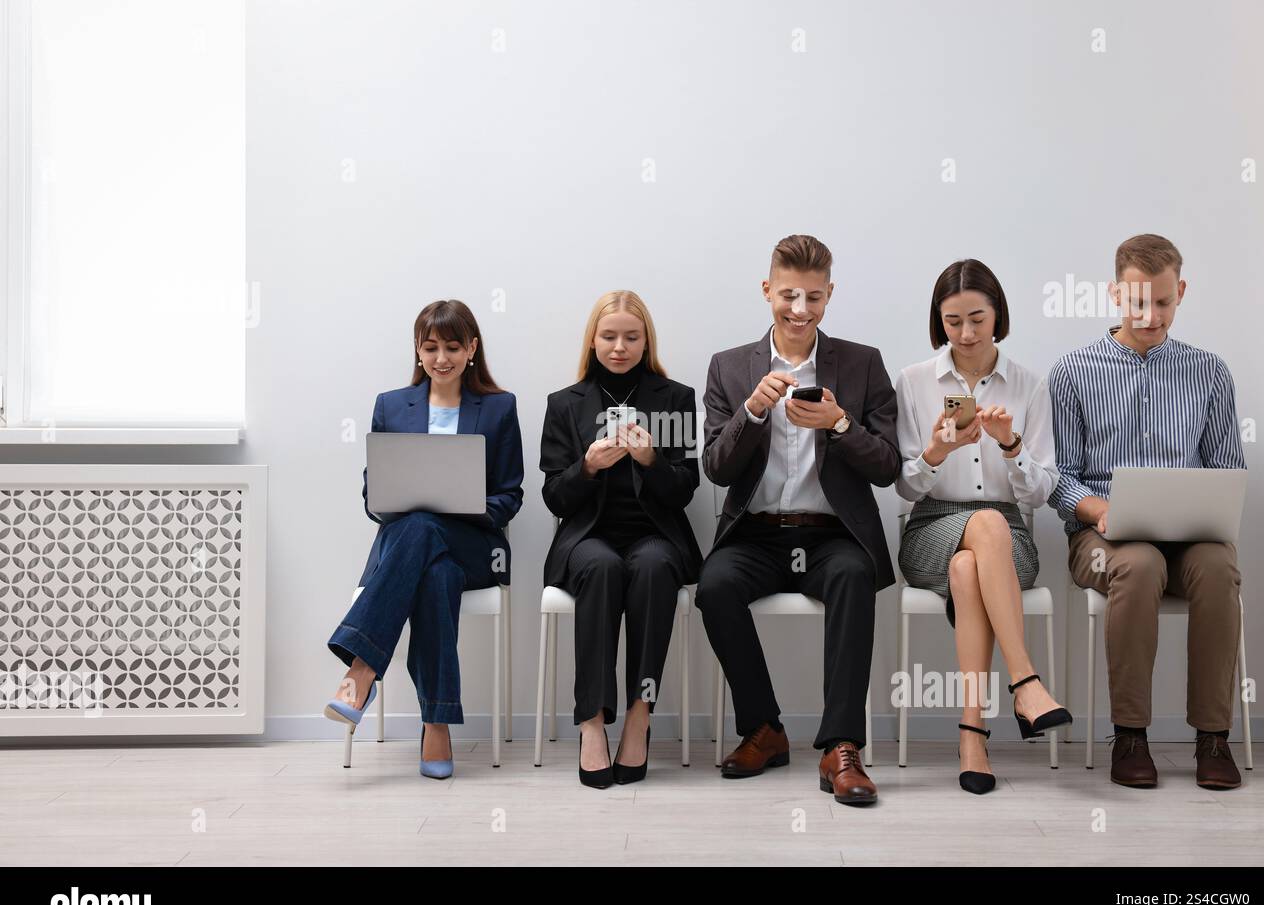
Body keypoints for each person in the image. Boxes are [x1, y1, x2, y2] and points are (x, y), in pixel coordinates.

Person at [694, 234, 901, 807]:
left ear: (830, 294)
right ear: (767, 291)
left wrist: (839, 424)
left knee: (854, 577)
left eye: (813, 297)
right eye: (789, 295)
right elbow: (715, 467)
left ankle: (840, 747)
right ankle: (765, 729)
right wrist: (753, 410)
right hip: (757, 534)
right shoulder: (730, 368)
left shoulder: (862, 364)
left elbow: (887, 467)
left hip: (833, 534)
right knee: (714, 587)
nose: (800, 310)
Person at [1049, 233, 1246, 790]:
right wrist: (1098, 508)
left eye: (1163, 302)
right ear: (1115, 293)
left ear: (1180, 292)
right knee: (1137, 564)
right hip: (1102, 540)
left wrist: (1204, 512)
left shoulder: (1210, 373)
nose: (1151, 315)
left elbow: (1226, 470)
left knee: (1217, 567)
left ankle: (1214, 737)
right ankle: (1130, 735)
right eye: (1138, 301)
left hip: (1189, 541)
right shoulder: (1072, 371)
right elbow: (1057, 478)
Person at [323, 300, 524, 779]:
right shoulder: (391, 405)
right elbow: (373, 496)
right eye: (430, 347)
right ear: (417, 349)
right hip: (418, 554)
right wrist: (407, 504)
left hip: (477, 546)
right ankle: (436, 723)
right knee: (433, 570)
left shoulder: (499, 407)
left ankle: (362, 671)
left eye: (452, 347)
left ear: (471, 348)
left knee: (423, 528)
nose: (441, 358)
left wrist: (469, 504)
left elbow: (511, 495)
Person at [894, 259, 1072, 795]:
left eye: (978, 318)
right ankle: (1026, 683)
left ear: (998, 315)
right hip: (931, 525)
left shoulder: (1029, 385)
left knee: (976, 556)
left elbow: (1043, 491)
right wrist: (936, 450)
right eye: (952, 322)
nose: (966, 334)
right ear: (938, 322)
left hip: (1009, 533)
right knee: (979, 532)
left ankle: (973, 732)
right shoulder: (914, 381)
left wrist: (1011, 447)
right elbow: (903, 488)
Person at [540, 290, 702, 789]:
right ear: (592, 339)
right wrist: (587, 467)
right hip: (589, 538)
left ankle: (639, 714)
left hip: (656, 535)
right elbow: (554, 498)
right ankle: (592, 722)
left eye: (632, 337)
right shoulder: (564, 404)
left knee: (652, 568)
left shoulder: (675, 399)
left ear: (645, 340)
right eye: (609, 336)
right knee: (602, 567)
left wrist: (652, 460)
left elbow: (684, 490)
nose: (619, 347)